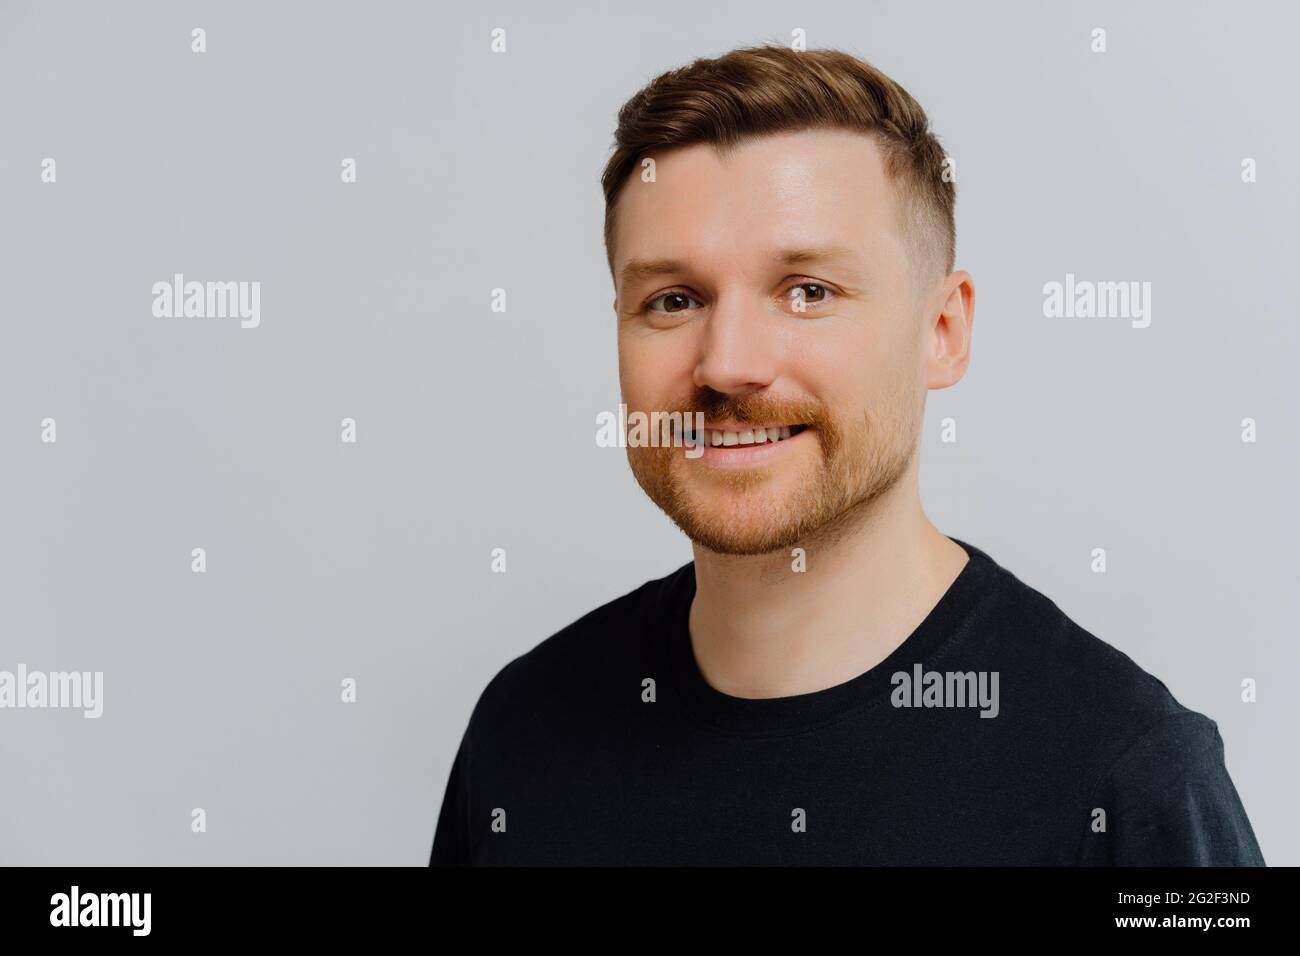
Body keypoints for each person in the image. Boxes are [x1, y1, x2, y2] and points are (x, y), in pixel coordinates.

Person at [430, 44, 1265, 866]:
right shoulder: (523, 727)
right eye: (673, 299)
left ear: (943, 332)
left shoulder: (1127, 782)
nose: (728, 363)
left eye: (808, 291)